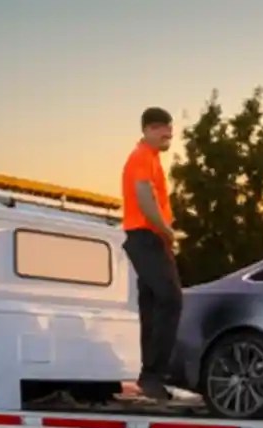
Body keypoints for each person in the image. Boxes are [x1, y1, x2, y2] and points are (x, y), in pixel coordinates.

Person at [120, 106, 181, 402]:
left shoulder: (152, 158)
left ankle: (150, 378)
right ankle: (154, 376)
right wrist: (167, 231)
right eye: (161, 129)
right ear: (147, 130)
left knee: (153, 305)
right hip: (146, 238)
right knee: (170, 299)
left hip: (150, 239)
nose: (167, 134)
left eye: (169, 129)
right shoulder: (141, 156)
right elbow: (144, 199)